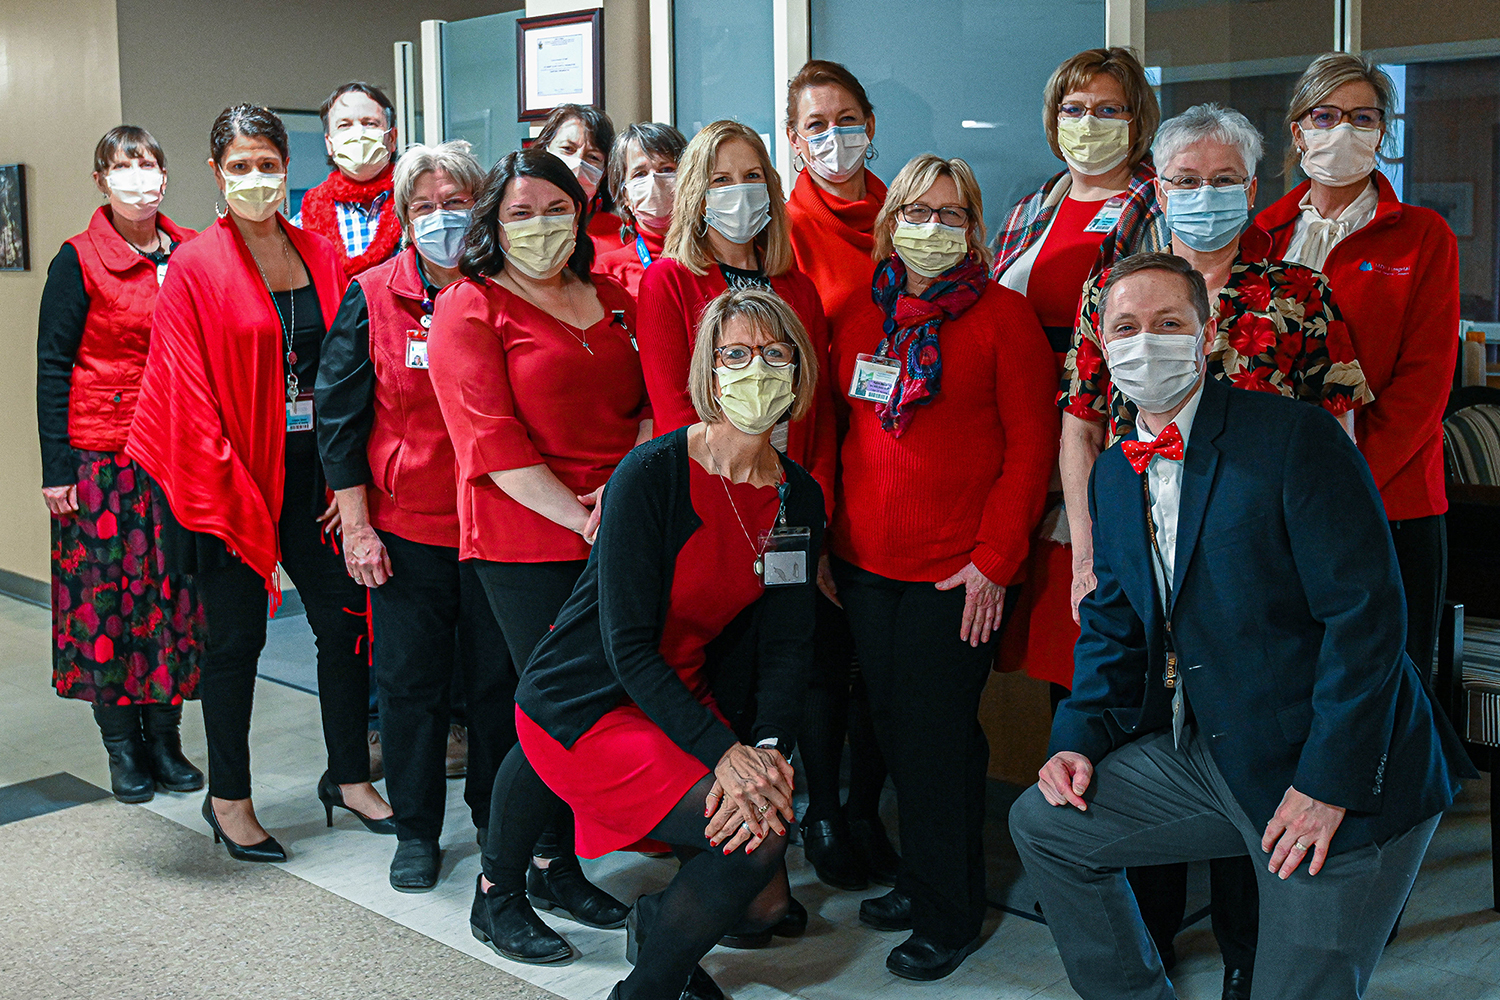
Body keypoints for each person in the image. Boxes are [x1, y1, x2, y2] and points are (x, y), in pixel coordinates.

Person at [1008, 251, 1474, 1000]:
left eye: (1167, 323)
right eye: (1124, 327)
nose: (1144, 342)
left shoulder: (1293, 439)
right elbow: (1113, 624)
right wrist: (1076, 740)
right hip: (1217, 754)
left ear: (1207, 330)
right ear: (1099, 342)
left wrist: (1327, 783)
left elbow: (1369, 619)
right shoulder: (1115, 472)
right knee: (1045, 823)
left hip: (1344, 771)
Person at [1061, 103, 1374, 998]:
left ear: (1253, 184)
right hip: (1148, 552)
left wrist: (1325, 547)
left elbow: (1339, 428)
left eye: (1223, 179)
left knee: (1256, 749)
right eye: (1186, 182)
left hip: (1262, 571)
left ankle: (1252, 955)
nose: (1204, 197)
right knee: (1151, 747)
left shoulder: (1297, 294)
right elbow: (1082, 427)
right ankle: (1150, 940)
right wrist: (1092, 556)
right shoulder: (1111, 288)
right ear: (1159, 188)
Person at [488, 287, 825, 1000]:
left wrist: (766, 752)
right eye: (735, 353)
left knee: (763, 902)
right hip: (586, 699)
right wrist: (722, 755)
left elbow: (791, 643)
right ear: (708, 371)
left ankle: (654, 924)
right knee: (757, 839)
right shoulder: (652, 474)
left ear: (798, 371)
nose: (754, 369)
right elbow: (626, 647)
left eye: (773, 353)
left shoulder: (798, 497)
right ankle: (645, 990)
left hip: (680, 695)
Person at [126, 104, 392, 863]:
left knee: (344, 626)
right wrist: (237, 503)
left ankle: (348, 777)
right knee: (235, 642)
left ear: (287, 166)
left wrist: (352, 488)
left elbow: (349, 370)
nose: (255, 179)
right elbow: (183, 396)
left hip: (315, 478)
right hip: (227, 477)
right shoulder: (195, 267)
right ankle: (230, 797)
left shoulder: (320, 254)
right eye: (238, 167)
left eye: (267, 164)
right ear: (216, 174)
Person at [828, 153, 1058, 981]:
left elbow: (1032, 454)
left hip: (957, 577)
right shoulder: (857, 313)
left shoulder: (1005, 318)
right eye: (917, 213)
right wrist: (826, 546)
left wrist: (996, 563)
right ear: (891, 226)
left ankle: (950, 912)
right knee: (889, 731)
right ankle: (925, 880)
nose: (933, 228)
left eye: (951, 214)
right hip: (863, 567)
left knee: (935, 744)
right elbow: (838, 435)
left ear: (974, 227)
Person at [428, 146, 642, 961]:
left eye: (555, 208)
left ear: (581, 212)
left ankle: (557, 861)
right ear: (493, 223)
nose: (541, 225)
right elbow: (488, 439)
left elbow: (655, 404)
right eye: (519, 213)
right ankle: (497, 891)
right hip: (525, 533)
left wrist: (622, 496)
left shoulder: (615, 295)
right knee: (557, 710)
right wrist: (585, 519)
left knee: (587, 707)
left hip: (618, 520)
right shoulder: (471, 305)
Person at [316, 140, 512, 891]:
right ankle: (418, 832)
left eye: (456, 203)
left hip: (498, 527)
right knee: (411, 688)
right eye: (424, 207)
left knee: (496, 686)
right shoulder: (370, 295)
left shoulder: (507, 288)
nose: (442, 218)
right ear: (402, 218)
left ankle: (497, 821)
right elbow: (339, 423)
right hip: (408, 531)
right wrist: (357, 525)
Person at [1257, 53, 1459, 681]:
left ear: (1381, 131)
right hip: (1275, 503)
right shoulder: (1259, 233)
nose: (1343, 129)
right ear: (1299, 130)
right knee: (1290, 683)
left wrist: (1343, 483)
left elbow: (1425, 385)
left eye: (1363, 117)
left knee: (1385, 687)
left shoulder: (1422, 236)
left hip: (1389, 499)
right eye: (1326, 115)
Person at [991, 46, 1167, 710]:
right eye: (1074, 109)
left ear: (1136, 120)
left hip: (1103, 438)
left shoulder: (1157, 205)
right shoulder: (1033, 205)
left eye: (1107, 109)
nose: (1088, 122)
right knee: (1028, 645)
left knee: (1093, 636)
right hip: (1021, 441)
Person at [36, 125, 206, 805]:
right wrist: (56, 470)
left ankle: (166, 740)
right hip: (97, 459)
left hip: (176, 455)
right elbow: (52, 367)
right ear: (101, 179)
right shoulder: (76, 260)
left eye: (151, 164)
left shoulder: (193, 250)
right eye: (125, 166)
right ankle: (123, 747)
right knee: (105, 603)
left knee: (172, 600)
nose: (141, 177)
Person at [781, 59, 897, 893]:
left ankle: (867, 811)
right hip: (815, 471)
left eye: (847, 118)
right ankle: (822, 811)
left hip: (894, 469)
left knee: (879, 661)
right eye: (815, 125)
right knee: (819, 658)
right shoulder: (781, 231)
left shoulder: (908, 213)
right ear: (794, 139)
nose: (834, 137)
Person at [636, 119, 835, 512]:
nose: (739, 189)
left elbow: (818, 409)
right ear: (697, 194)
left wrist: (816, 501)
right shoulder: (667, 281)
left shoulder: (798, 288)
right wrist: (731, 495)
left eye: (752, 176)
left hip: (791, 489)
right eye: (721, 180)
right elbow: (676, 413)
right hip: (710, 493)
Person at [295, 82, 403, 279]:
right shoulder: (303, 224)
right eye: (344, 125)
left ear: (392, 138)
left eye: (370, 123)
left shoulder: (418, 206)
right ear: (329, 143)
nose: (358, 134)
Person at [595, 121, 687, 298]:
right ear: (625, 195)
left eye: (666, 169)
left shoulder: (717, 256)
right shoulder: (608, 271)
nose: (654, 181)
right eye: (640, 174)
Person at [535, 103, 621, 257]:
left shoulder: (620, 234)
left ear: (605, 172)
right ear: (544, 150)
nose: (578, 163)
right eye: (568, 149)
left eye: (593, 157)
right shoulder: (519, 223)